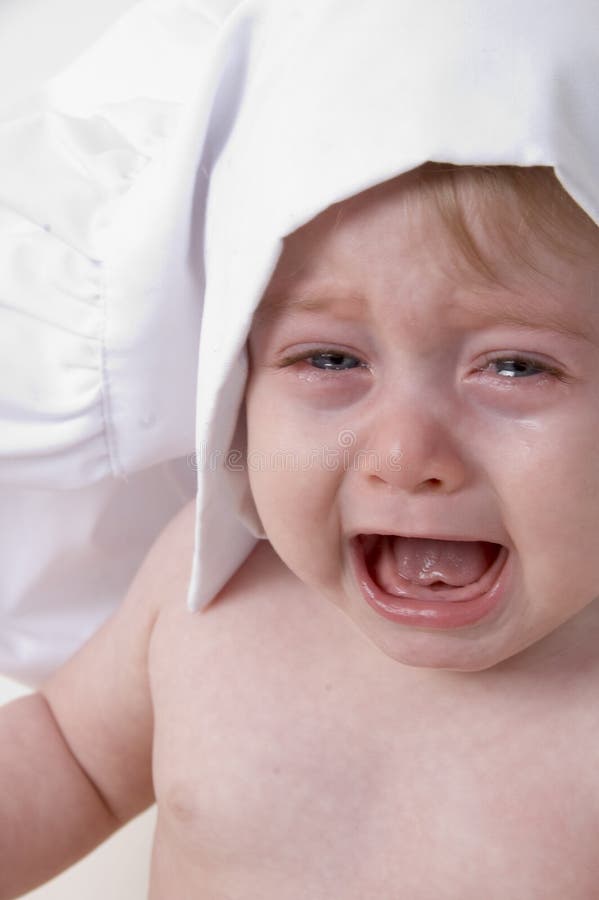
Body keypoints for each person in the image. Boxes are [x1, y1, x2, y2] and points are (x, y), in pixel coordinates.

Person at [4, 0, 599, 896]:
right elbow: (65, 759)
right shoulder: (215, 595)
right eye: (329, 358)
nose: (404, 454)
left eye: (513, 366)